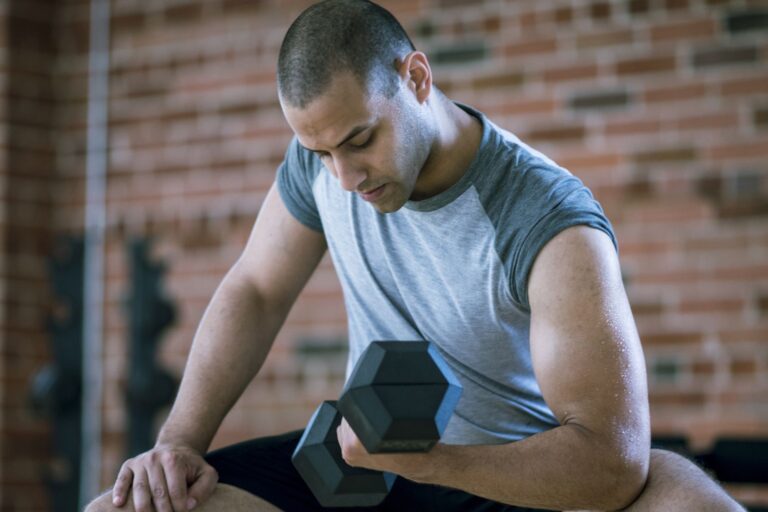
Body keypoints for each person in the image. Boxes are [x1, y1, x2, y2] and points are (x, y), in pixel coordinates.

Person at [86, 1, 746, 511]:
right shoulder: (324, 165)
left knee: (677, 487)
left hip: (513, 482)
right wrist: (177, 442)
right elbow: (255, 289)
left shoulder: (546, 219)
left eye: (360, 140)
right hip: (361, 474)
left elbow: (610, 458)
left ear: (418, 78)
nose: (343, 177)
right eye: (321, 153)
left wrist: (426, 463)